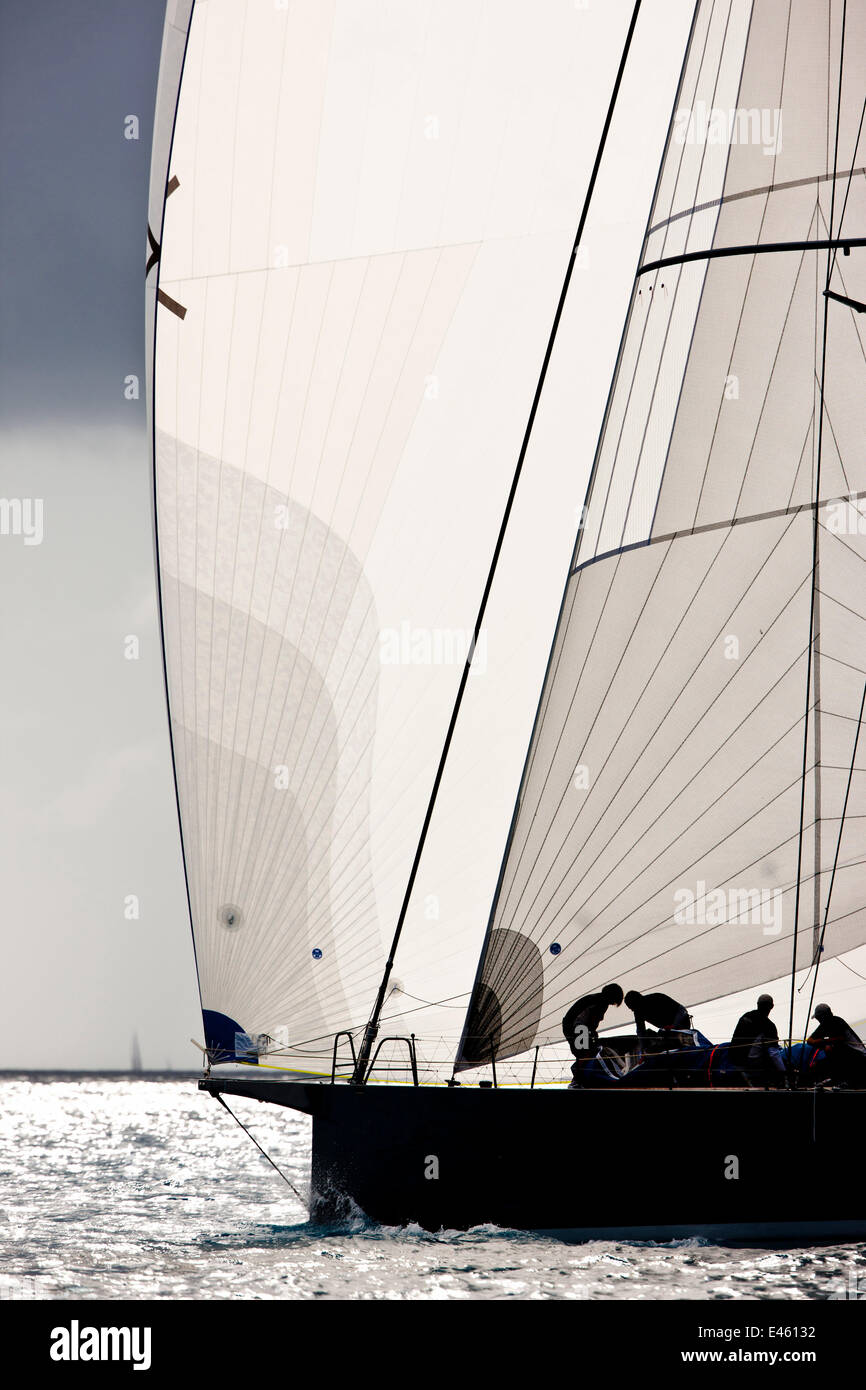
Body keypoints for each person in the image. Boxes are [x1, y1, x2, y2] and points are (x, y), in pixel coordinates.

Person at [562, 984, 623, 1086]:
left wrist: (591, 1035)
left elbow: (590, 1021)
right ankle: (577, 1080)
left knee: (584, 1053)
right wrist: (587, 1036)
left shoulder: (599, 1000)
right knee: (584, 1053)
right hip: (578, 1028)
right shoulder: (599, 1002)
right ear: (612, 996)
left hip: (575, 1027)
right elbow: (582, 1021)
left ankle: (578, 1079)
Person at [729, 994, 786, 1087]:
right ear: (772, 1006)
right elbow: (773, 1053)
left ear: (757, 1004)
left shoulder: (745, 1016)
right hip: (750, 1062)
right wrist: (784, 1072)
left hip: (734, 1057)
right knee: (775, 1059)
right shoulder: (769, 1026)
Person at [806, 1004, 866, 1087]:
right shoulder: (824, 1025)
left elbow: (840, 1039)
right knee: (822, 1060)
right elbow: (809, 1041)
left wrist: (823, 1041)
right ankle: (835, 1078)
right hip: (848, 1054)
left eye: (818, 1018)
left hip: (858, 1055)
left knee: (833, 1049)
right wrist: (823, 1043)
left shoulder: (837, 1021)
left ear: (823, 1017)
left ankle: (842, 1079)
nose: (818, 1020)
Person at [624, 990, 691, 1038]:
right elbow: (641, 1031)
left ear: (638, 1002)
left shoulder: (657, 997)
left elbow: (682, 1010)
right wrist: (643, 1049)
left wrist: (673, 1026)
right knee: (649, 1034)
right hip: (668, 1030)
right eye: (631, 1009)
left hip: (682, 1024)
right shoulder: (638, 1012)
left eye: (633, 1008)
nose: (633, 1010)